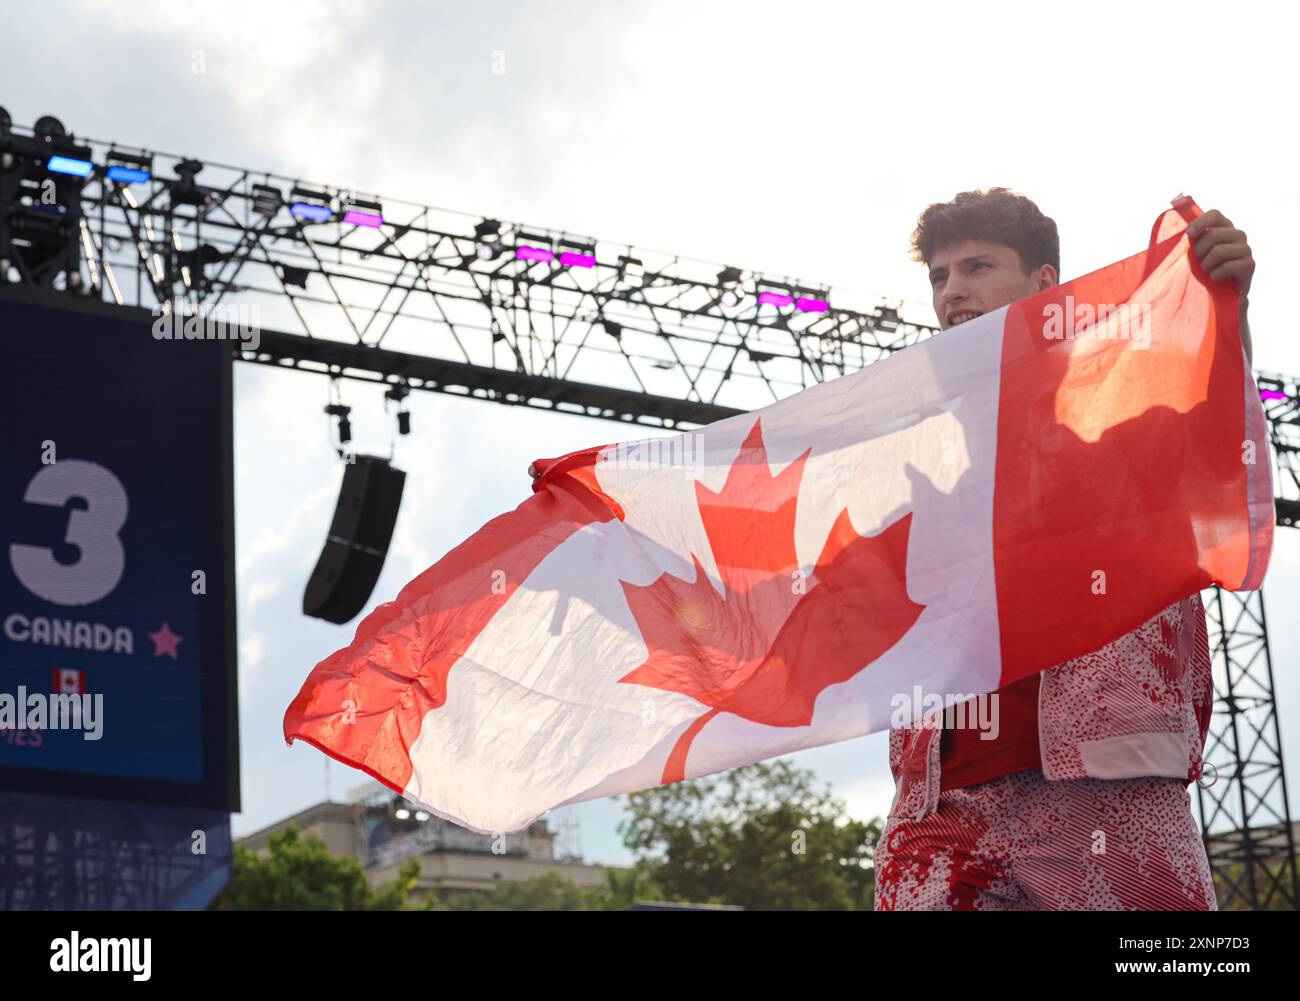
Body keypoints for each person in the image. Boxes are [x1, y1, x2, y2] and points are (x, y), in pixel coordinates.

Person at [872, 188, 1256, 911]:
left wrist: (1228, 309)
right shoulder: (906, 475)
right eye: (939, 276)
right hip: (937, 811)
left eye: (977, 266)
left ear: (1046, 284)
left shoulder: (1128, 447)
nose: (953, 290)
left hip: (1109, 791)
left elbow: (1220, 442)